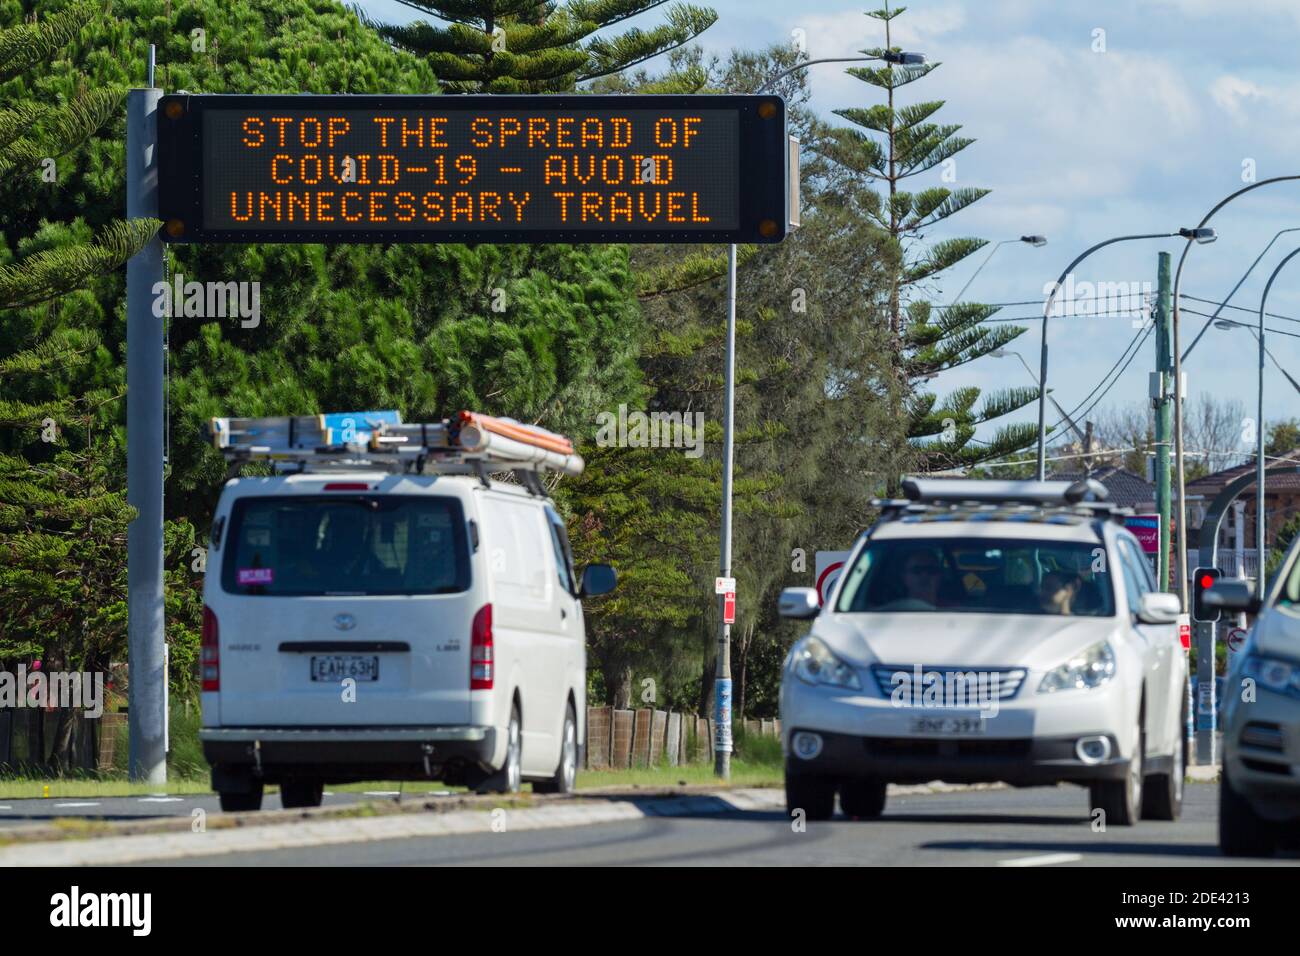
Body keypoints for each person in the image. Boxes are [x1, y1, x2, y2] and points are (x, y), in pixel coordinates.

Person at [879, 548, 947, 611]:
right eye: (917, 570)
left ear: (940, 576)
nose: (924, 576)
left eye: (931, 570)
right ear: (904, 577)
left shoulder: (954, 609)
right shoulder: (888, 611)